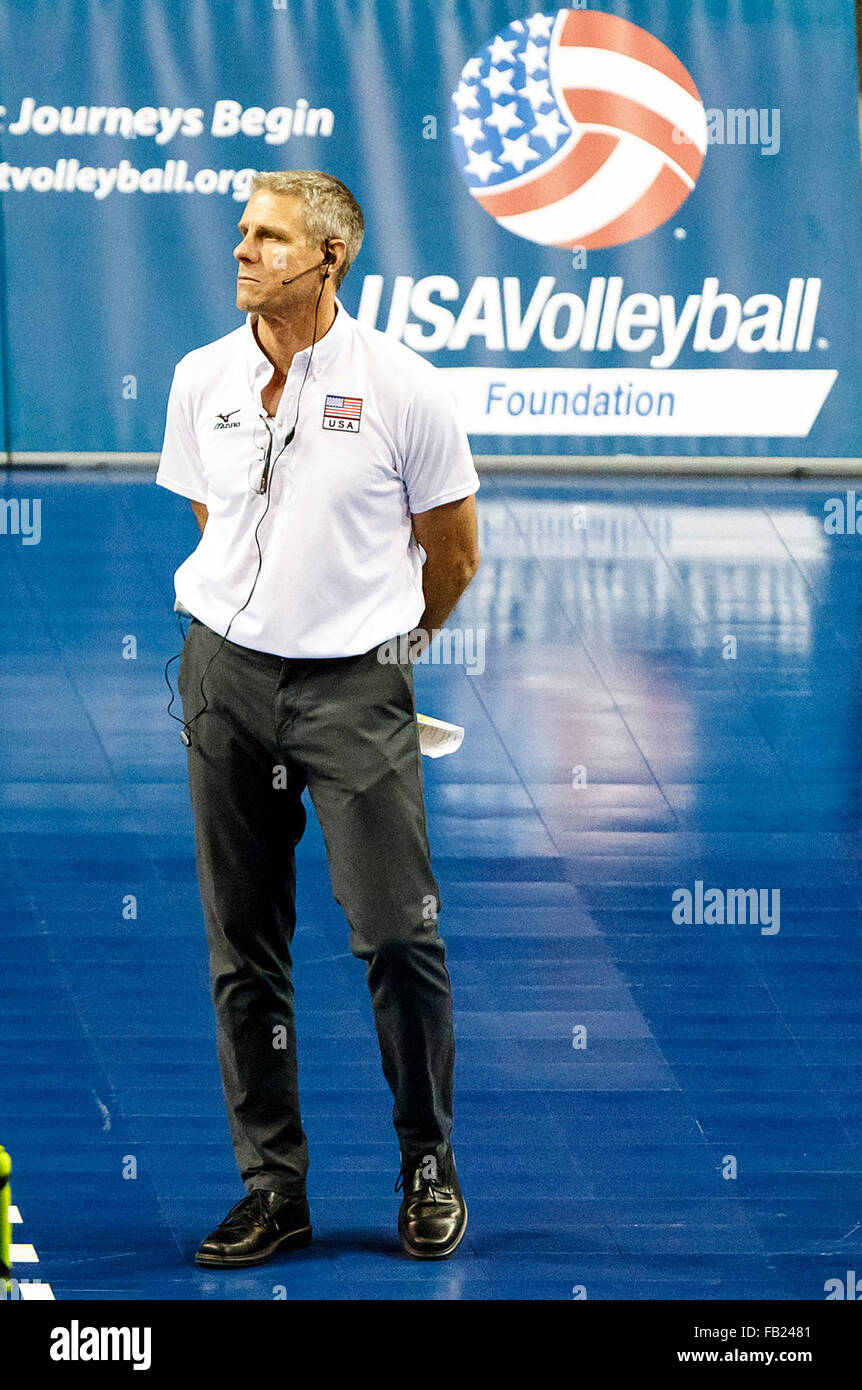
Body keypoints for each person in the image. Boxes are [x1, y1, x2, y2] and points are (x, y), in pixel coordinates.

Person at [156, 170, 481, 1266]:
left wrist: (384, 655)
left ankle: (426, 1162)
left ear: (327, 258)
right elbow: (216, 520)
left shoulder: (404, 388)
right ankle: (273, 1188)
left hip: (356, 692)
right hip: (224, 680)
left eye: (268, 236)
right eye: (242, 231)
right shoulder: (202, 375)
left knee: (398, 932)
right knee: (242, 947)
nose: (243, 250)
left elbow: (454, 555)